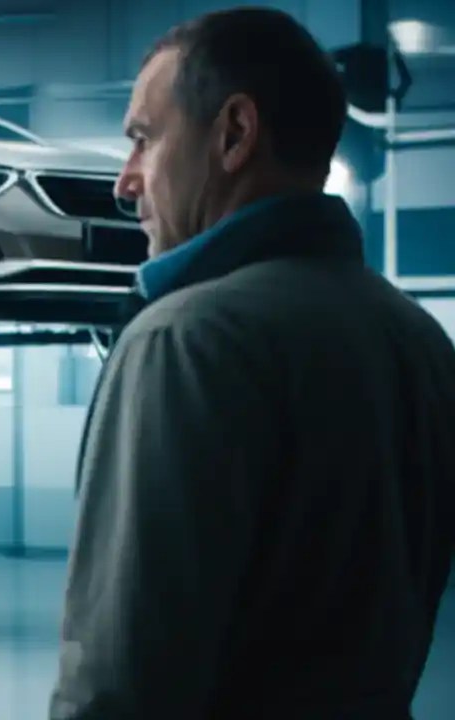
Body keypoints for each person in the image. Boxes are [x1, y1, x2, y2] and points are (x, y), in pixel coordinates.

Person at [51, 8, 455, 719]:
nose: (125, 182)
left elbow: (121, 684)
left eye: (144, 140)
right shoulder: (417, 340)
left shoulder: (183, 341)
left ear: (234, 134)